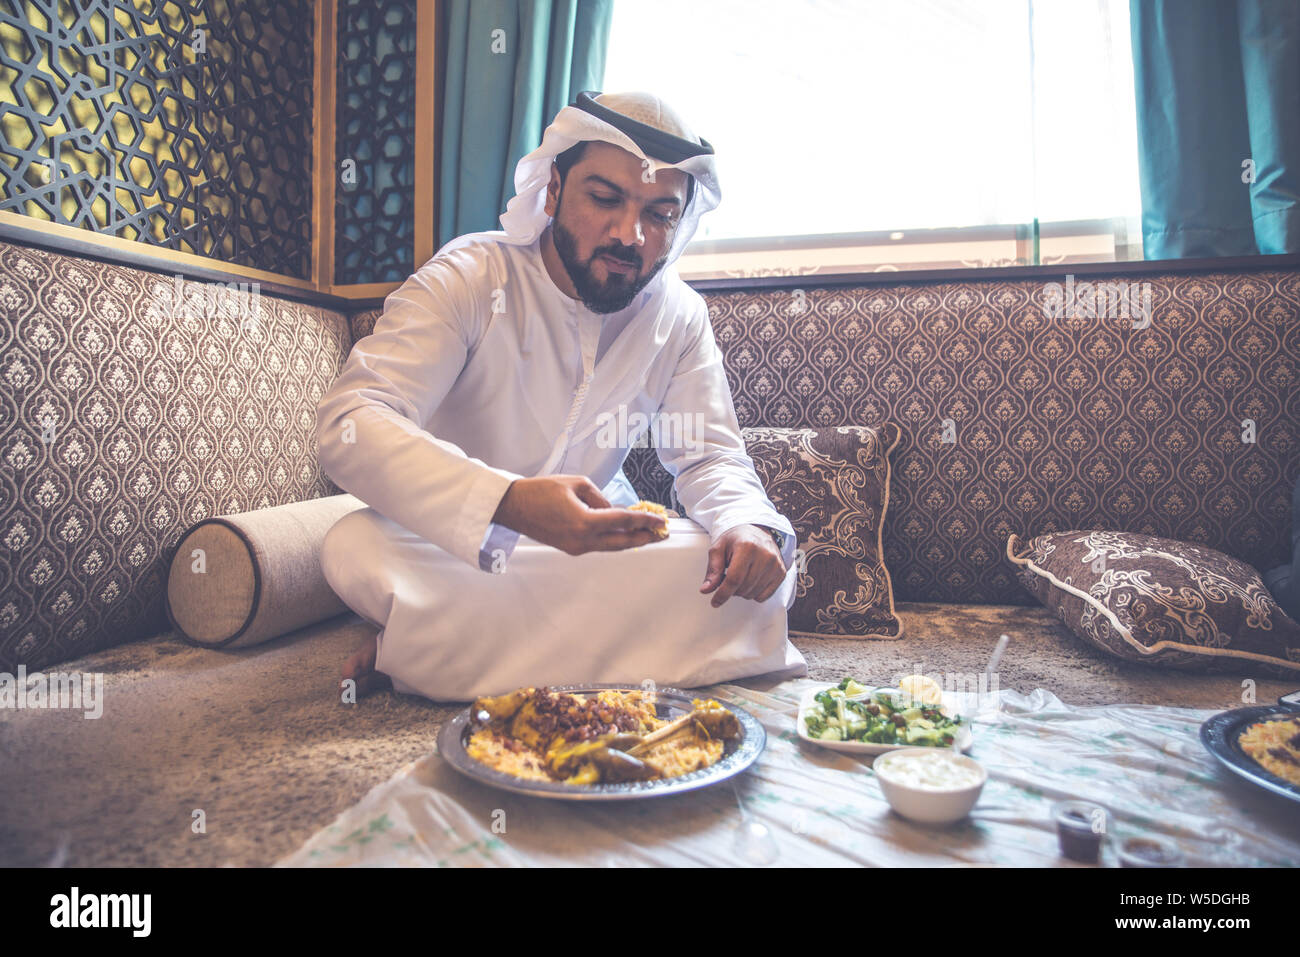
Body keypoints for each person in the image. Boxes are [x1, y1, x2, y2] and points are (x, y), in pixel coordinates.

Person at [316, 91, 805, 701]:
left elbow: (708, 457)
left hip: (594, 558)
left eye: (659, 214)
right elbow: (351, 421)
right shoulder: (471, 276)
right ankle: (469, 638)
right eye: (605, 199)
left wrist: (742, 524)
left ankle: (429, 647)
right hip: (455, 546)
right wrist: (508, 502)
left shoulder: (678, 315)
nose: (630, 235)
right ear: (552, 191)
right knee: (354, 545)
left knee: (751, 562)